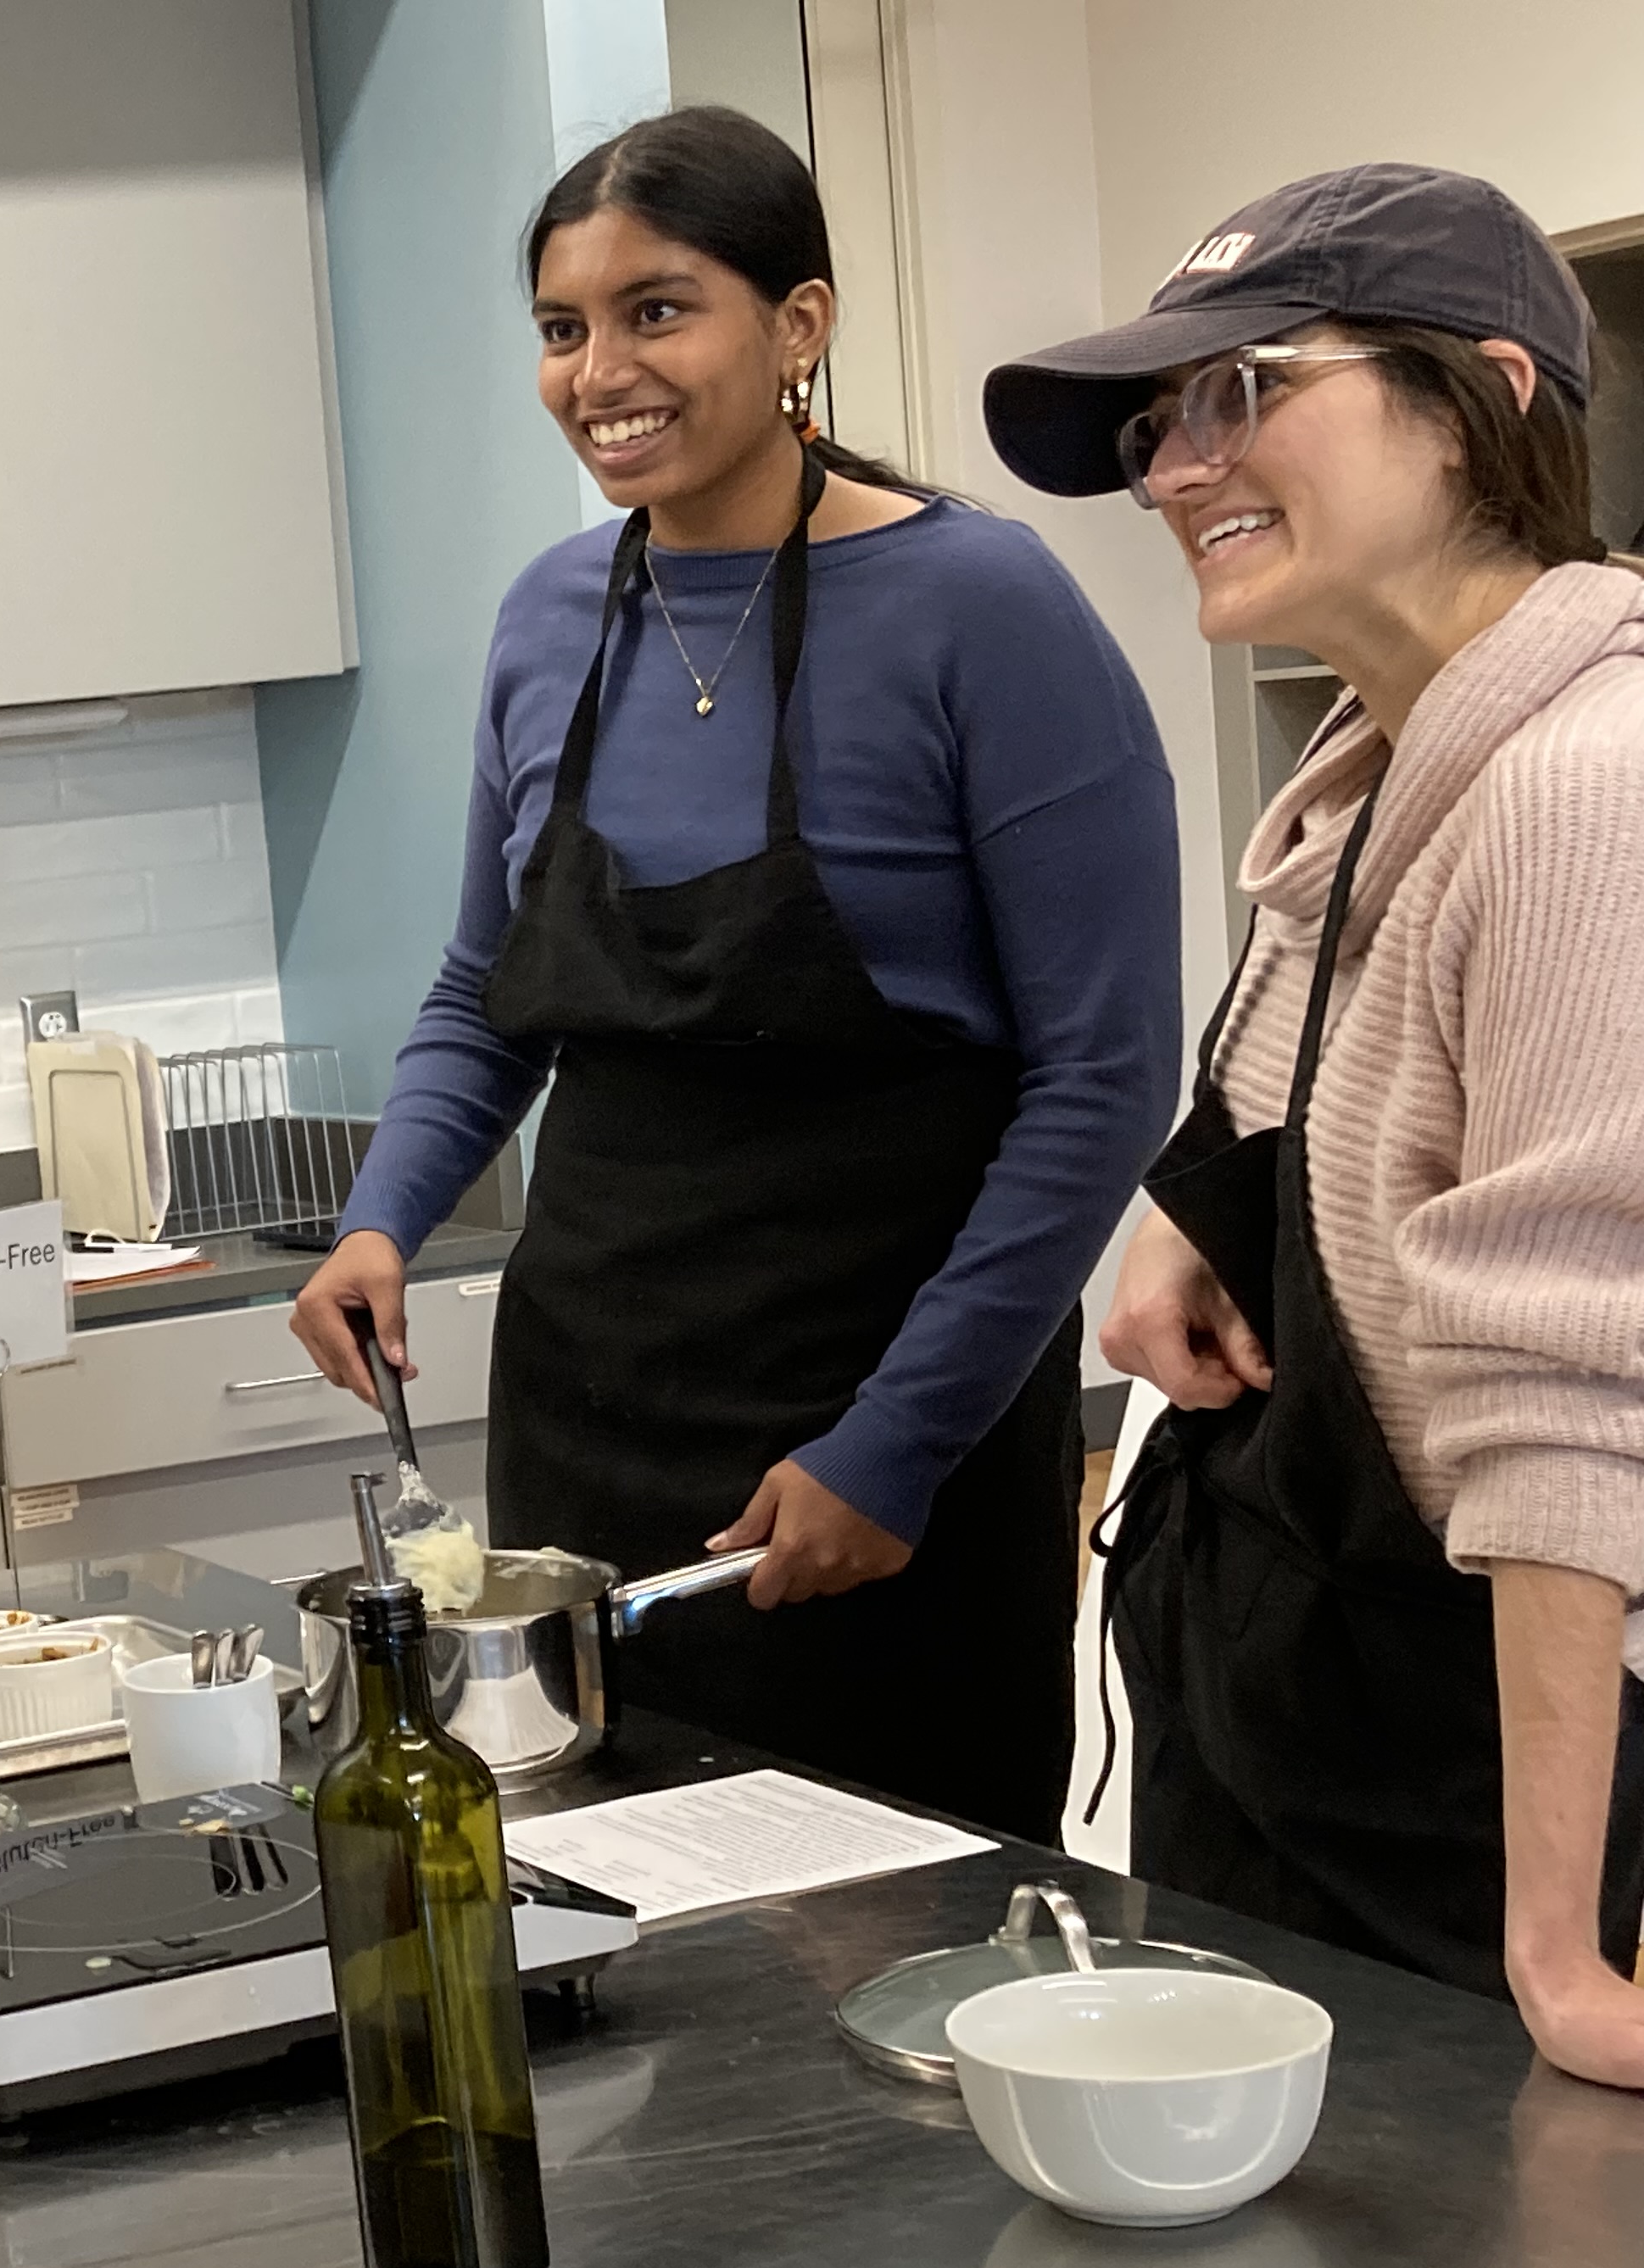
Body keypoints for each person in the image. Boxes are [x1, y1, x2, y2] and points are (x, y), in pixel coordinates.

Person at [289, 106, 1184, 1842]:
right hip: (588, 1405)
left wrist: (896, 1444)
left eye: (658, 311)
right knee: (609, 1898)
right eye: (563, 327)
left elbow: (1102, 1080)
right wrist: (382, 1216)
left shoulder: (981, 607)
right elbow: (486, 991)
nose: (599, 372)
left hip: (883, 1414)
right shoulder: (551, 618)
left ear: (799, 326)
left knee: (893, 1917)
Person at [987, 163, 1644, 2080]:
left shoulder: (1588, 783)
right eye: (1154, 426)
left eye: (1243, 390)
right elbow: (1324, 1120)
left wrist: (1559, 1954)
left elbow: (1566, 1394)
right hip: (1294, 1739)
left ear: (1480, 401)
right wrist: (1184, 1224)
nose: (1176, 469)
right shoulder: (1370, 770)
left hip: (1481, 1795)